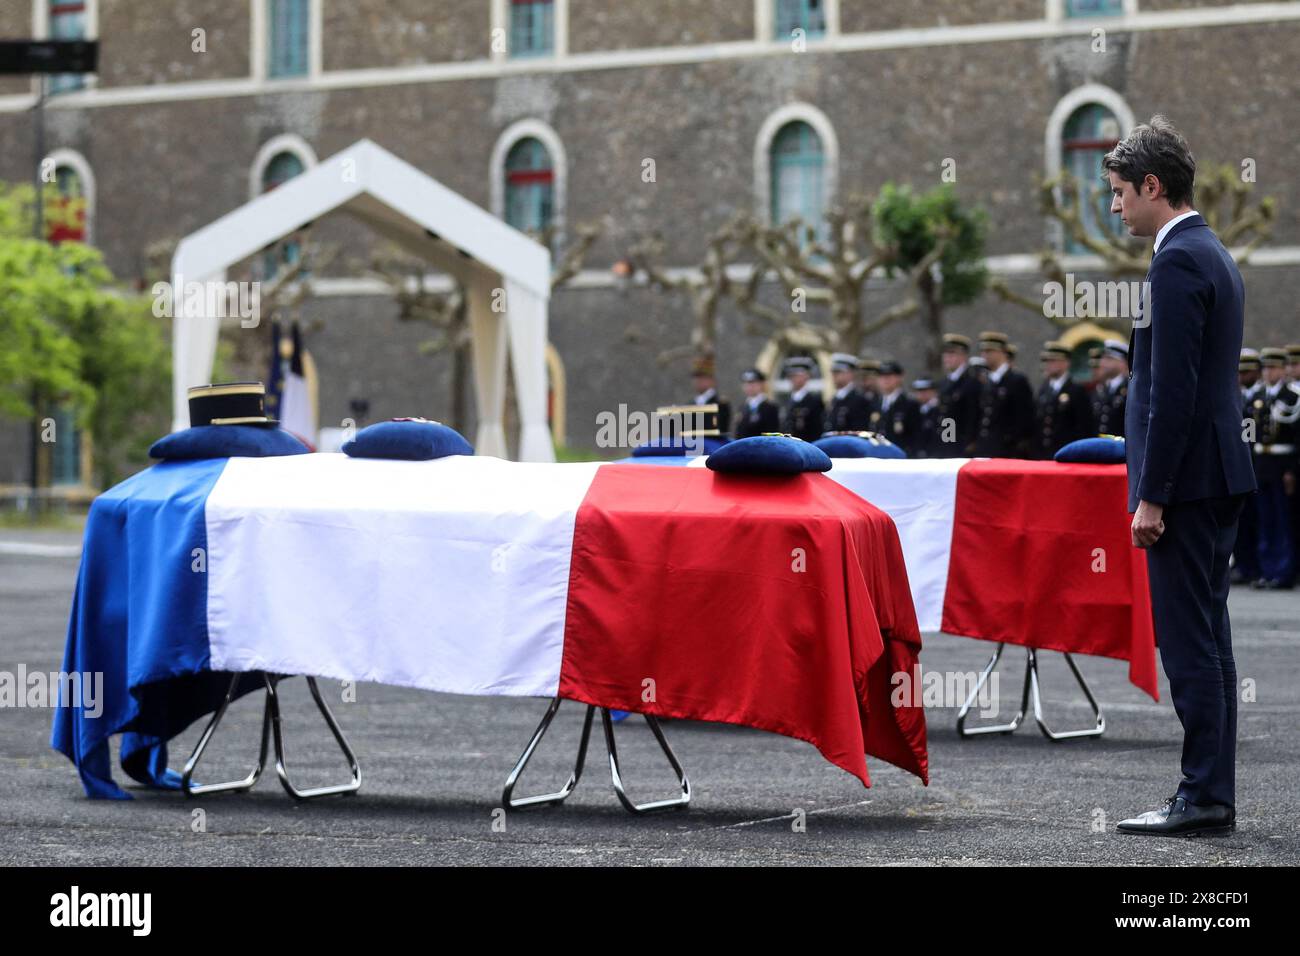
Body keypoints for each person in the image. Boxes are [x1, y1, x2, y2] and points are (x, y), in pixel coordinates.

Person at [1109, 116, 1256, 838]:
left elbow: (1173, 392)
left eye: (1118, 192)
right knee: (1212, 641)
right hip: (1218, 475)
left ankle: (1202, 795)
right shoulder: (1212, 252)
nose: (1114, 205)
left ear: (1152, 186)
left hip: (1187, 486)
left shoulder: (1176, 261)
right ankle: (1211, 792)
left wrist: (1152, 496)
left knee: (1189, 643)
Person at [1247, 348, 1300, 589]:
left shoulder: (1292, 397)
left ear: (1282, 369)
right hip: (1261, 464)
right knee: (1264, 519)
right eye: (1266, 368)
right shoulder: (1258, 396)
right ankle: (1266, 569)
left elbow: (1296, 437)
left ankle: (1283, 571)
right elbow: (1247, 432)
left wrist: (1292, 470)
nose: (1269, 372)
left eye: (1274, 368)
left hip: (1282, 463)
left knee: (1282, 520)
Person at [974, 331, 1034, 458]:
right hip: (986, 448)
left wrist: (1013, 441)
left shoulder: (1017, 380)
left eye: (989, 351)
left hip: (1008, 450)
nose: (984, 355)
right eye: (983, 351)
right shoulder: (987, 382)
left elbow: (1024, 417)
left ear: (1002, 353)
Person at [1232, 349, 1264, 585]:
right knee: (1241, 522)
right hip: (1238, 464)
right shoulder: (1236, 396)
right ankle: (1245, 565)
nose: (1241, 377)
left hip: (1260, 464)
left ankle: (1258, 565)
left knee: (1260, 520)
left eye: (1247, 372)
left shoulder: (1260, 398)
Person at [1032, 341, 1095, 458]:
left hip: (1067, 453)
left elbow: (1084, 427)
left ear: (1066, 363)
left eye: (1053, 361)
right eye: (1046, 361)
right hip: (1043, 454)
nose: (1048, 365)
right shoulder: (1044, 390)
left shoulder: (1076, 390)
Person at [937, 333, 980, 456]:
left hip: (964, 446)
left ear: (964, 356)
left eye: (952, 354)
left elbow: (974, 415)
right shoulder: (945, 382)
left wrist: (969, 443)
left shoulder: (971, 382)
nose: (947, 358)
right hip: (947, 442)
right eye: (945, 354)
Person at [869, 360, 922, 455]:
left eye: (889, 376)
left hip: (900, 458)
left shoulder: (909, 404)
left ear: (899, 378)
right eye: (881, 376)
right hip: (877, 456)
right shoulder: (874, 403)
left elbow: (916, 437)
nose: (885, 380)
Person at [826, 353, 874, 432]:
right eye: (833, 372)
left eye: (839, 372)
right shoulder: (835, 399)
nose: (834, 375)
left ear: (850, 374)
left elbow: (859, 431)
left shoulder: (859, 400)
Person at [781, 356, 824, 442]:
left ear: (807, 376)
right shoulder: (788, 401)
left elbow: (817, 430)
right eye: (792, 376)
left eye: (797, 375)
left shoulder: (814, 401)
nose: (794, 379)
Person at [1092, 339, 1129, 436]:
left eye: (1109, 359)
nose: (1102, 362)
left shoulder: (1130, 389)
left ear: (1123, 363)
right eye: (1103, 358)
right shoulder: (1101, 389)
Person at [689, 354, 731, 438]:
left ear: (711, 380)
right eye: (696, 377)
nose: (698, 381)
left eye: (702, 377)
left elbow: (720, 429)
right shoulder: (691, 403)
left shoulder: (720, 404)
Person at [733, 368, 780, 439]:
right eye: (746, 383)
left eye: (752, 383)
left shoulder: (770, 407)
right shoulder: (743, 407)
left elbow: (773, 434)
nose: (748, 387)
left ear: (762, 384)